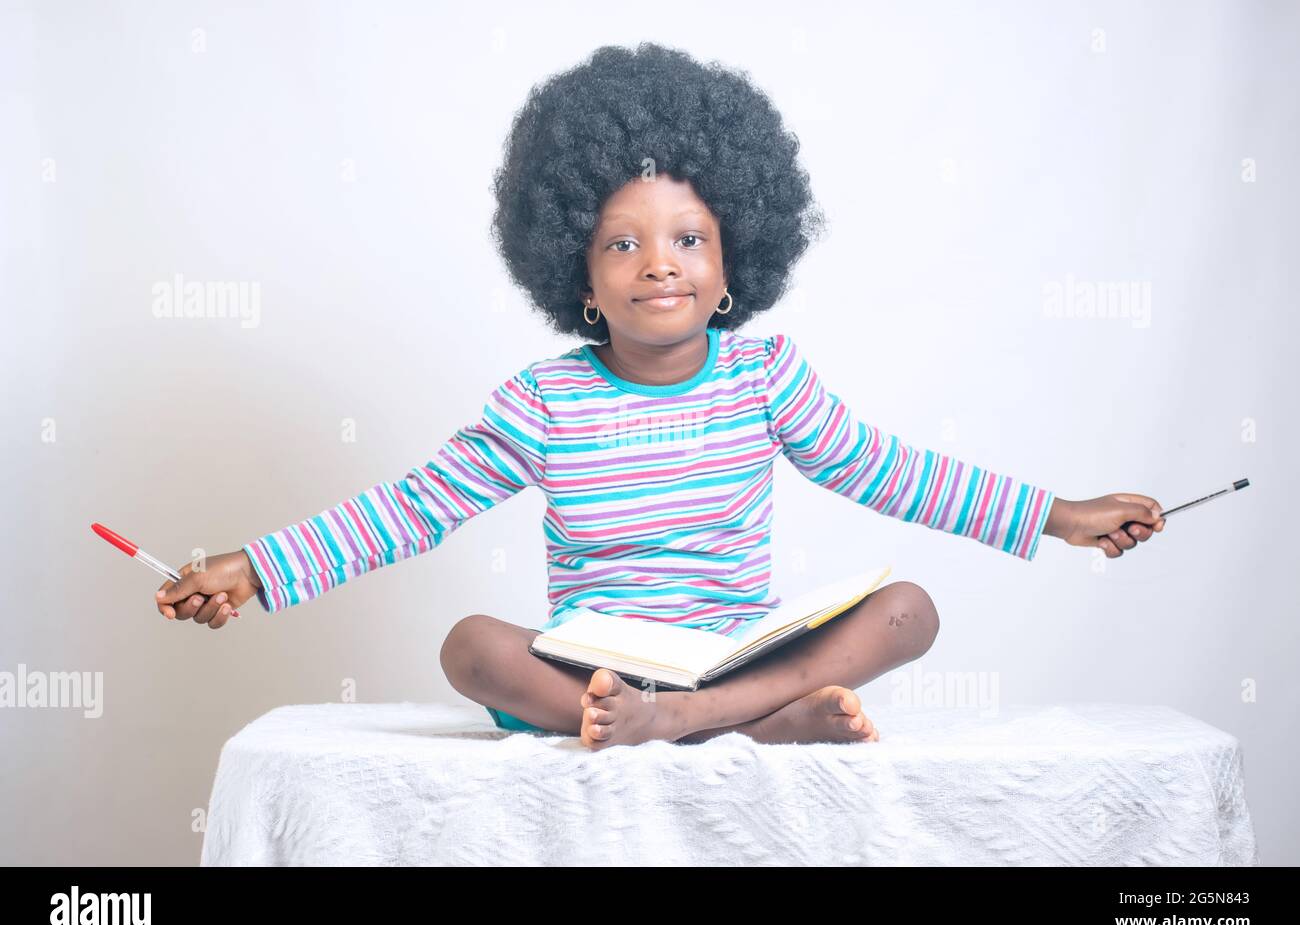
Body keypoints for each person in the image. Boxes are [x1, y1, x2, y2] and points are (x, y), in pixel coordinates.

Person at [155, 43, 1165, 750]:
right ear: (577, 276)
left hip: (734, 656)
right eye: (620, 244)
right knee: (471, 646)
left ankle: (699, 720)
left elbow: (897, 473)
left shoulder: (765, 380)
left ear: (732, 264)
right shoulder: (543, 402)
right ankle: (732, 725)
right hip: (590, 677)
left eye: (687, 238)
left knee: (907, 608)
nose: (658, 265)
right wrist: (256, 567)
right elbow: (408, 509)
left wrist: (1061, 516)